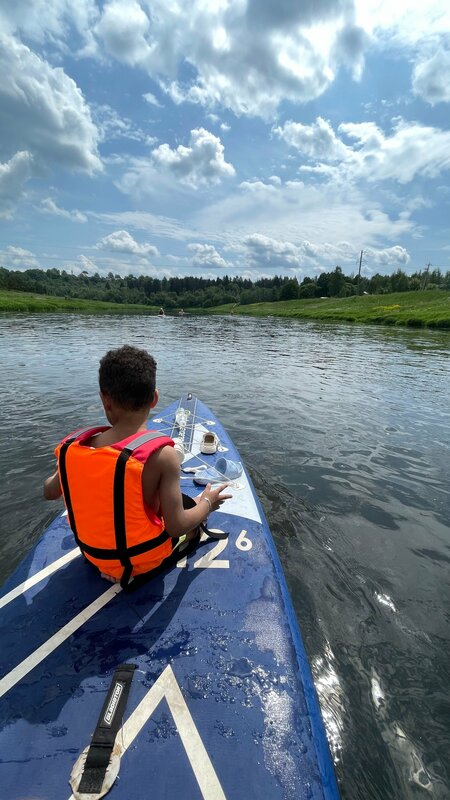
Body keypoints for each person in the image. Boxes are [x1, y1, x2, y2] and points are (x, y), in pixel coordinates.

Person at [43, 344, 231, 587]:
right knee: (193, 514)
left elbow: (49, 491)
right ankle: (200, 509)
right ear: (154, 399)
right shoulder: (163, 456)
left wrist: (71, 471)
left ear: (105, 400)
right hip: (141, 561)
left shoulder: (72, 449)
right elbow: (176, 526)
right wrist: (208, 504)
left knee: (177, 501)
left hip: (93, 555)